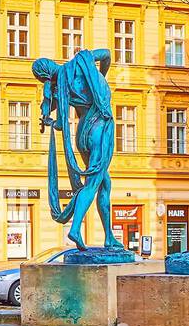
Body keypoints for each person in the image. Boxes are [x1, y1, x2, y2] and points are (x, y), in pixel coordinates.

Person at [34, 49, 124, 253]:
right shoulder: (81, 62)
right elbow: (108, 54)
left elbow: (59, 125)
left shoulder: (59, 89)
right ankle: (75, 228)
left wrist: (49, 120)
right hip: (99, 125)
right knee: (92, 183)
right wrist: (100, 75)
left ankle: (109, 237)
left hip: (82, 131)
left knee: (105, 183)